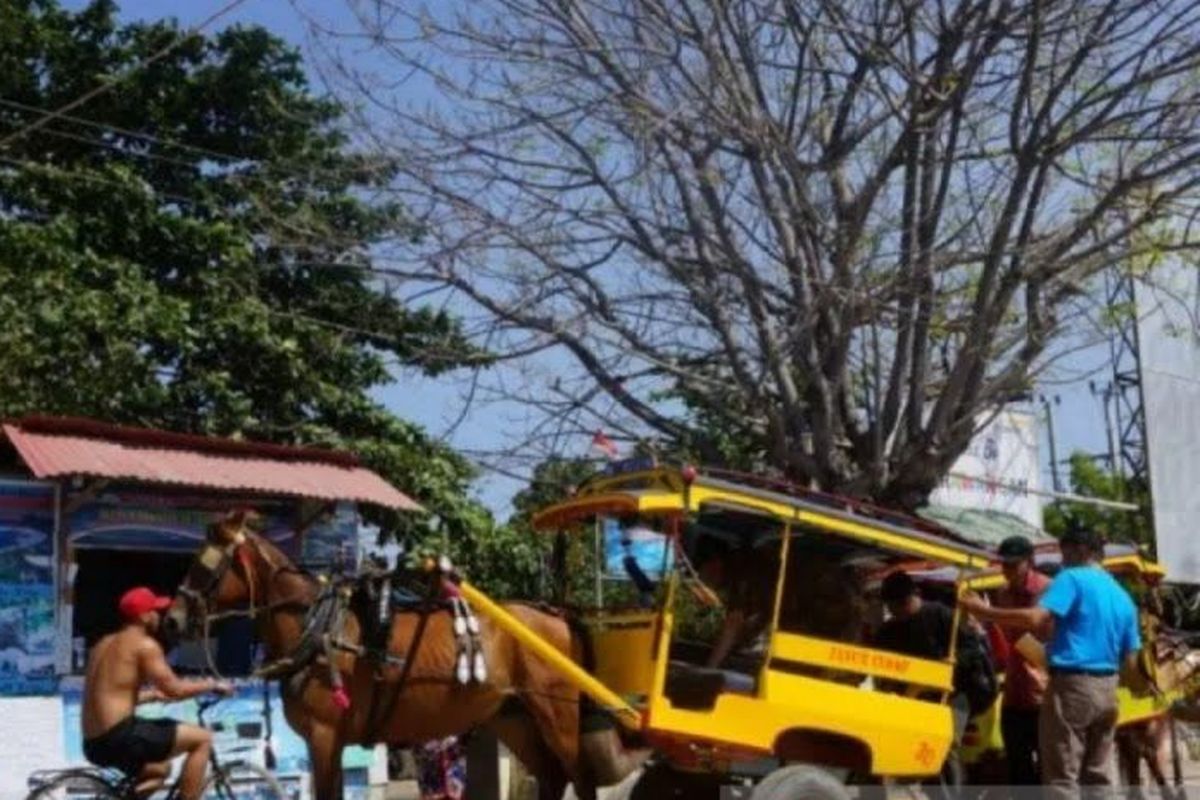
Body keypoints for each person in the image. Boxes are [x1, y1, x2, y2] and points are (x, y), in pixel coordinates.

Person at [960, 523, 1141, 799]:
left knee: (1061, 776)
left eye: (1064, 552)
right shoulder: (1122, 595)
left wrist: (983, 611)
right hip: (1109, 689)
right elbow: (1131, 661)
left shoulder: (1072, 578)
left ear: (1080, 550)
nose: (1061, 560)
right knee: (1097, 776)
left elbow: (1036, 618)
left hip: (1072, 687)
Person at [82, 586, 232, 799]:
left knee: (160, 770)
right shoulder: (145, 645)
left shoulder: (101, 645)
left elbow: (109, 696)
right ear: (143, 616)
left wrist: (152, 696)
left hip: (94, 744)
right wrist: (211, 685)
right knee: (202, 738)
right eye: (154, 611)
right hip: (121, 737)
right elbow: (176, 689)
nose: (158, 616)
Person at [874, 571, 978, 798]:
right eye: (891, 607)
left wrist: (952, 662)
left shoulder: (941, 615)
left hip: (950, 699)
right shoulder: (888, 631)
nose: (895, 612)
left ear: (911, 598)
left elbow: (972, 651)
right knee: (920, 755)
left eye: (898, 606)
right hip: (912, 702)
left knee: (945, 752)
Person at [993, 535, 1051, 787]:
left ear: (1029, 562)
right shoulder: (1002, 594)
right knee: (1018, 769)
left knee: (1050, 768)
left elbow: (1034, 624)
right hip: (1015, 691)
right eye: (1004, 565)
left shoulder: (1048, 589)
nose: (1006, 571)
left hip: (1044, 693)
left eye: (1012, 565)